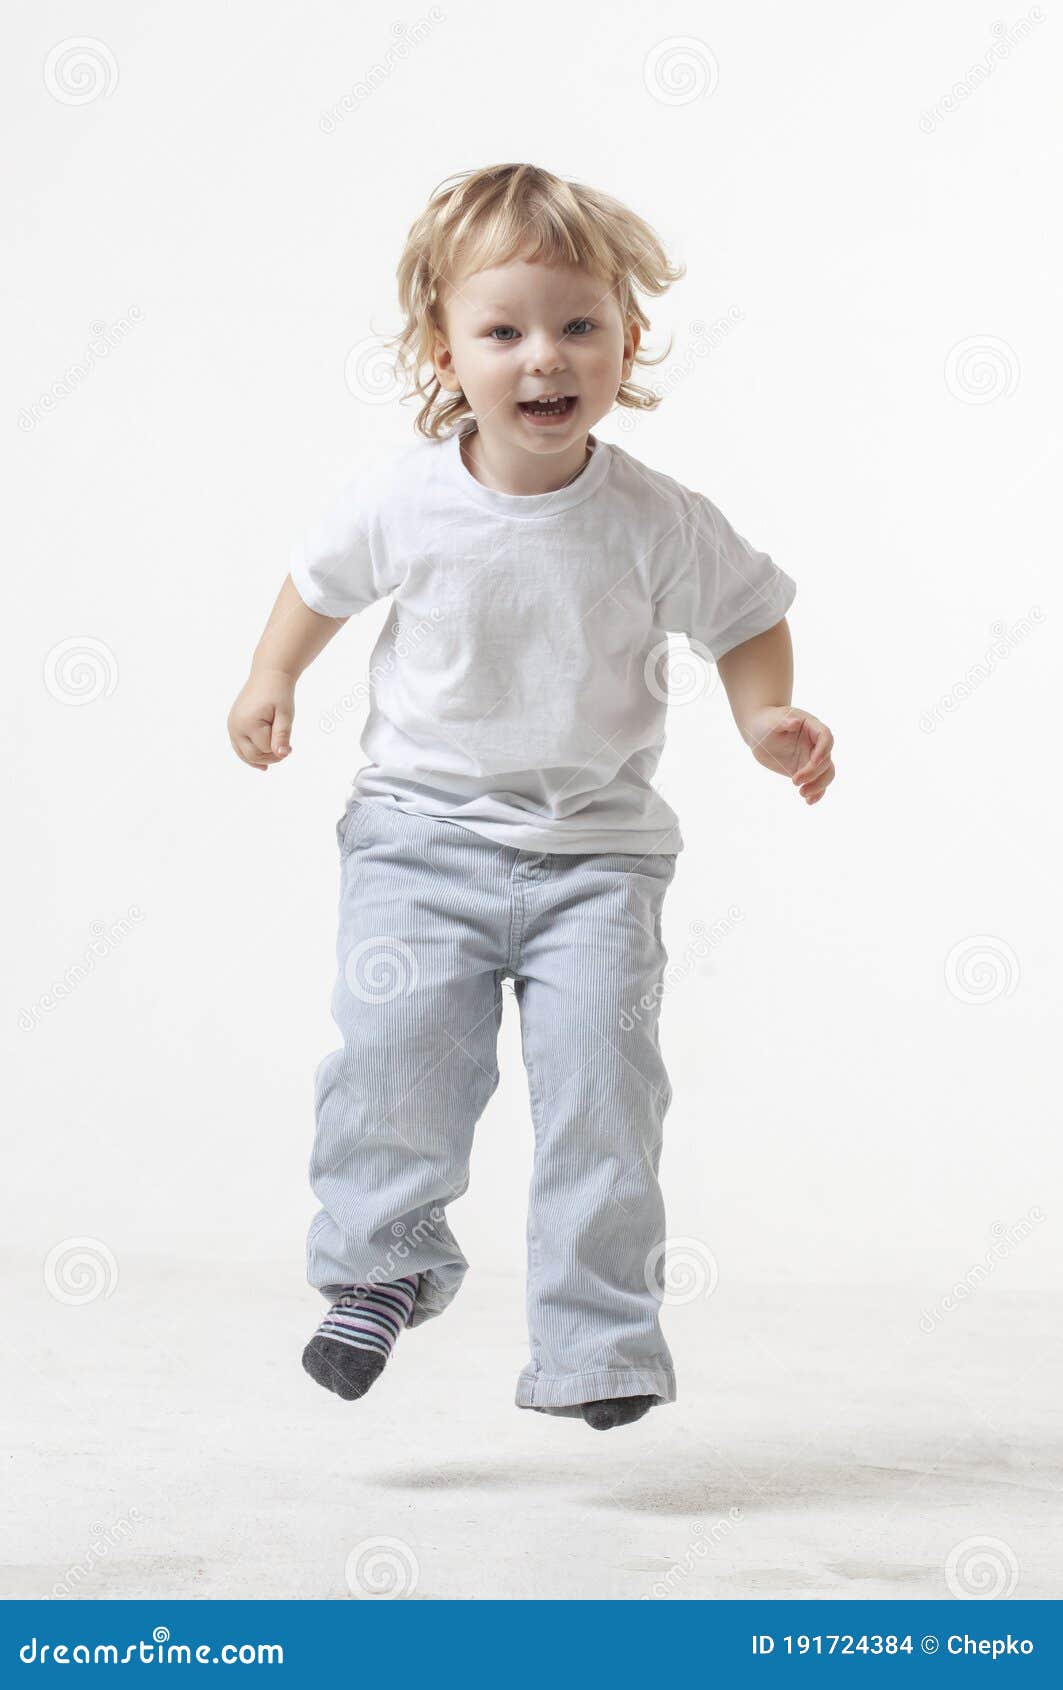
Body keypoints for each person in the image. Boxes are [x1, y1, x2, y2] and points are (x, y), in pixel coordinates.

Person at [227, 162, 835, 1431]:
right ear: (441, 348)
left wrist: (763, 715)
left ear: (628, 338)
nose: (542, 359)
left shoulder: (656, 518)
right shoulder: (405, 497)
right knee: (392, 1060)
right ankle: (380, 1266)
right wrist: (271, 675)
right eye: (502, 330)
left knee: (604, 1095)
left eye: (577, 326)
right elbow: (318, 582)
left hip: (597, 862)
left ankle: (597, 1342)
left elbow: (750, 615)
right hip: (416, 843)